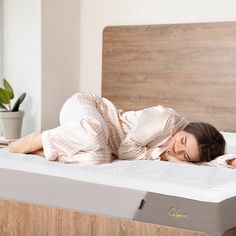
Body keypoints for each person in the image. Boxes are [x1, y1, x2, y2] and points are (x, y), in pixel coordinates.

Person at [8, 92, 235, 167]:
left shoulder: (182, 150)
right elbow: (127, 151)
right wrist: (163, 154)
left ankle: (36, 149)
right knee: (96, 132)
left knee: (99, 159)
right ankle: (36, 138)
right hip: (87, 108)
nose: (177, 149)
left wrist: (226, 161)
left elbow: (202, 165)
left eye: (185, 156)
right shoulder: (166, 119)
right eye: (183, 141)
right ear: (187, 128)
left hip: (102, 143)